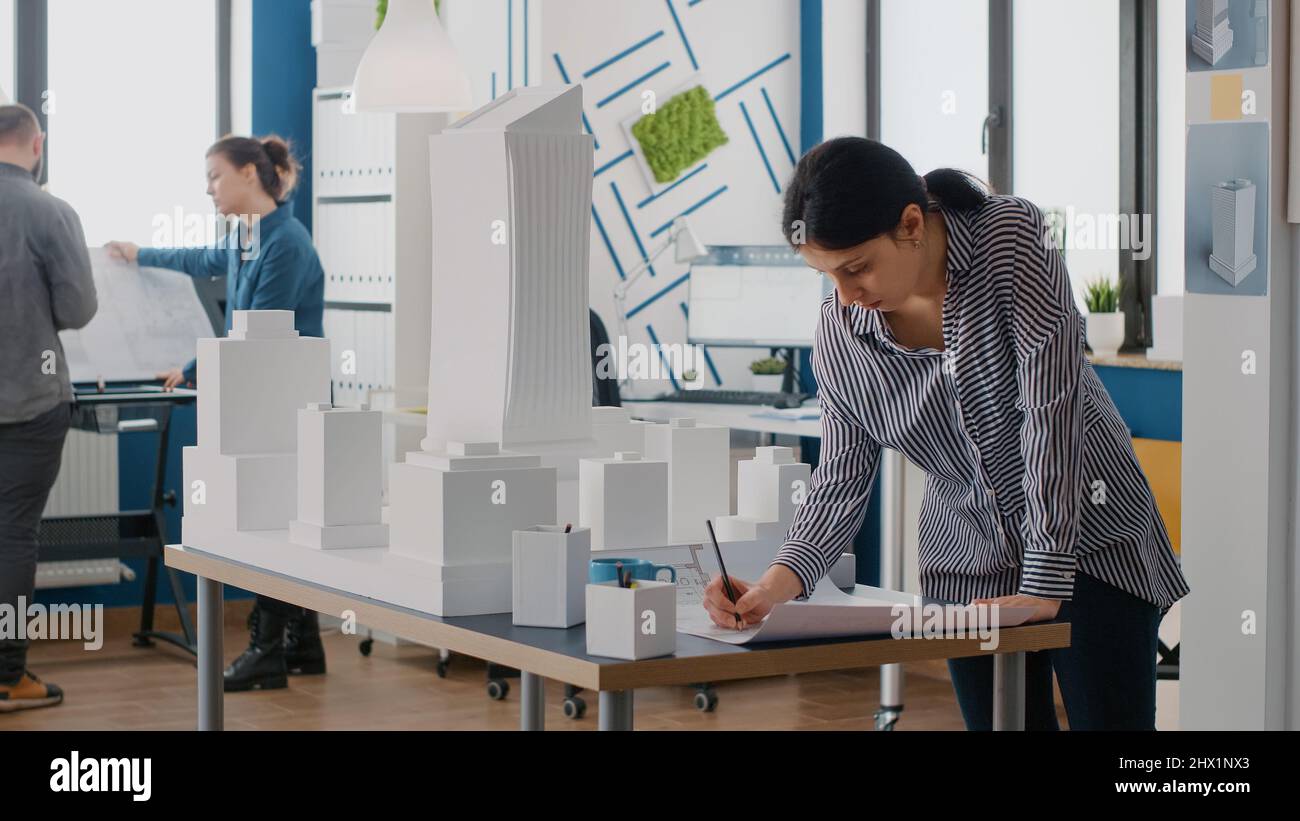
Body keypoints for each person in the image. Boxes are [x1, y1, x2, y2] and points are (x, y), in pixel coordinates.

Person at [701, 137, 1190, 730]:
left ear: (912, 224)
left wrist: (1043, 579)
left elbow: (1051, 411)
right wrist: (777, 584)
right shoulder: (843, 334)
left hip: (1090, 541)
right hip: (968, 561)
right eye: (827, 275)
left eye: (856, 267)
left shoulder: (1008, 239)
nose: (846, 295)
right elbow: (841, 477)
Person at [106, 135, 327, 693]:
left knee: (272, 523)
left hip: (284, 404)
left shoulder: (288, 244)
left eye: (214, 176)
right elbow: (198, 259)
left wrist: (191, 365)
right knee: (275, 519)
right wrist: (139, 254)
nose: (207, 188)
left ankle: (267, 650)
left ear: (251, 173)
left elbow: (255, 328)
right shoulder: (246, 236)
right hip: (260, 400)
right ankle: (301, 646)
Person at [0, 103, 97, 713]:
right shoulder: (50, 212)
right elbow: (78, 309)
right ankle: (7, 676)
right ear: (37, 145)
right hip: (29, 403)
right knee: (11, 536)